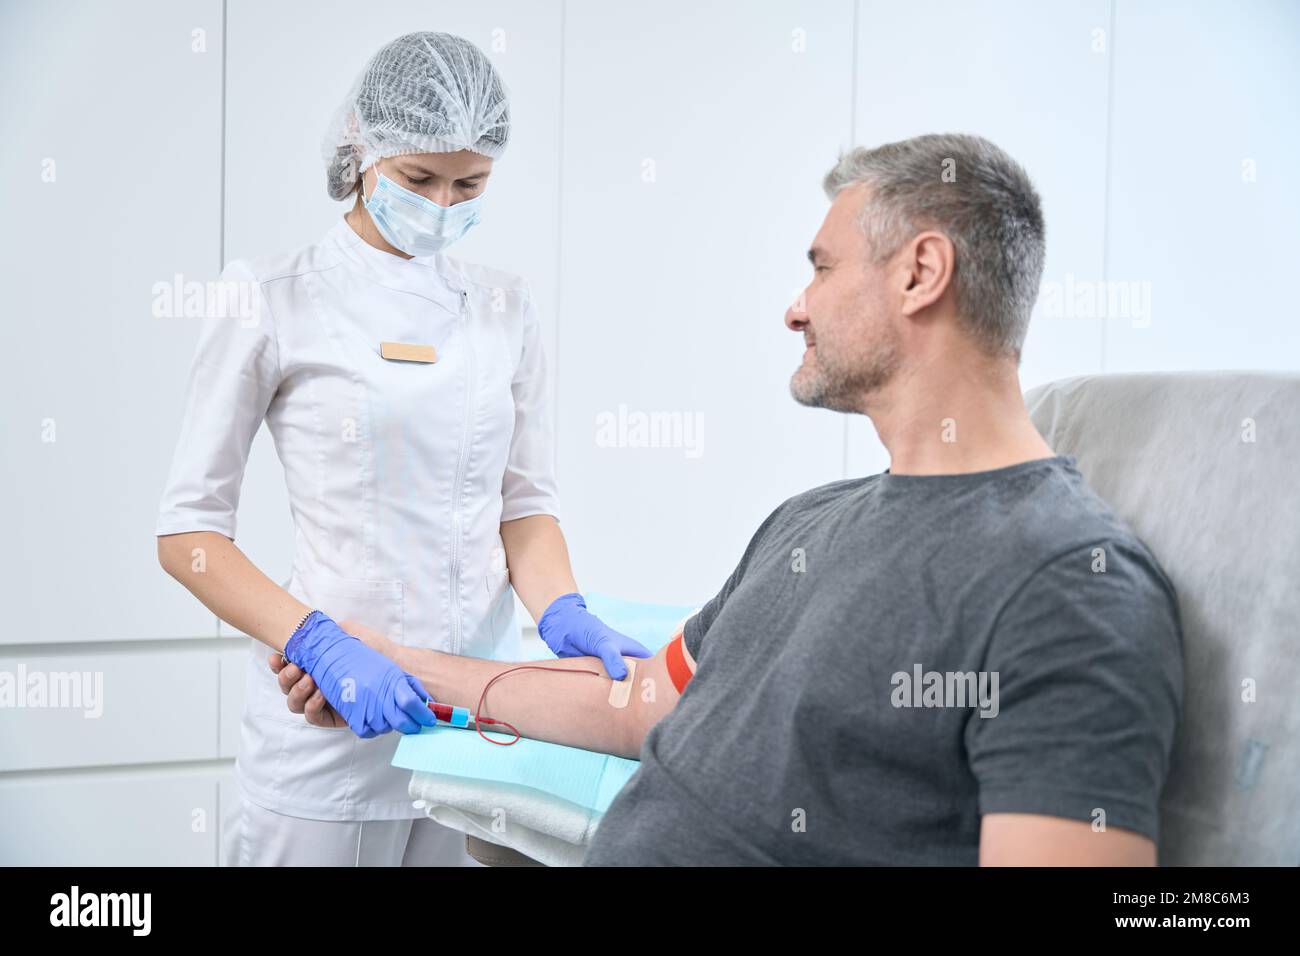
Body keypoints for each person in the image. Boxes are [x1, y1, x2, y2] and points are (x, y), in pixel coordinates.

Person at [274, 133, 1184, 866]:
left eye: (823, 268)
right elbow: (644, 707)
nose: (796, 306)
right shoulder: (812, 522)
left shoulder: (1067, 584)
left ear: (920, 272)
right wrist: (398, 660)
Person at [156, 31, 648, 867]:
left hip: (475, 717)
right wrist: (315, 640)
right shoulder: (272, 297)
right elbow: (188, 535)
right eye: (419, 179)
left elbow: (525, 504)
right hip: (326, 721)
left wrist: (560, 607)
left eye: (470, 184)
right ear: (361, 150)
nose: (444, 204)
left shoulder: (504, 305)